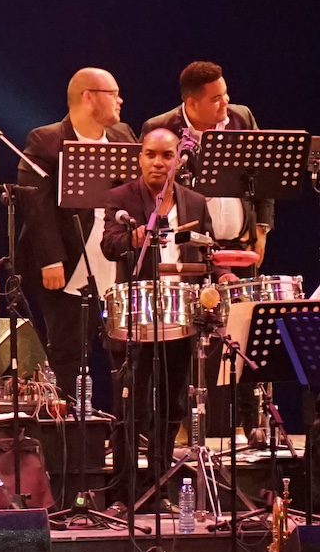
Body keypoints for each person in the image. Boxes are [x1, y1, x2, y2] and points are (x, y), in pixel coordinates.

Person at [101, 128, 236, 502]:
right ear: (140, 158)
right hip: (138, 315)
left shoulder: (195, 202)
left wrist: (223, 273)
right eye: (150, 155)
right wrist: (134, 237)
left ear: (179, 159)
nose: (158, 163)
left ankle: (158, 485)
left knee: (172, 404)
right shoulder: (122, 198)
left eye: (166, 155)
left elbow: (209, 252)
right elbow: (109, 244)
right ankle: (125, 491)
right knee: (131, 405)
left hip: (181, 315)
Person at [17, 68, 137, 404]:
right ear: (89, 97)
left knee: (124, 350)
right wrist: (50, 260)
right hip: (68, 261)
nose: (120, 100)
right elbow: (36, 204)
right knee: (68, 347)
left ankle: (125, 425)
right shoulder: (46, 140)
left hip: (114, 257)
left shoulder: (122, 134)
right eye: (113, 94)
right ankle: (70, 422)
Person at [142, 61, 270, 270]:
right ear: (192, 104)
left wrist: (261, 229)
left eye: (225, 94)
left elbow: (262, 174)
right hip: (191, 250)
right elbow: (148, 190)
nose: (226, 101)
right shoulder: (160, 128)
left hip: (241, 248)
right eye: (216, 98)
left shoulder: (242, 117)